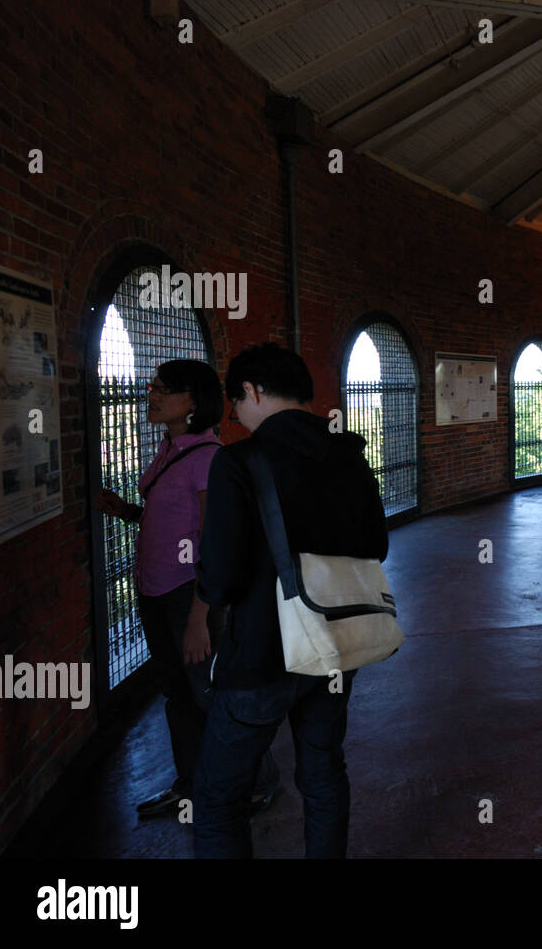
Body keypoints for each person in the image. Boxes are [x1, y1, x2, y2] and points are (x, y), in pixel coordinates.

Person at [193, 343, 388, 858]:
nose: (237, 415)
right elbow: (377, 546)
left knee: (218, 799)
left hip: (259, 654)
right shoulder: (351, 452)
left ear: (253, 391)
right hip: (335, 642)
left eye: (237, 403)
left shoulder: (238, 461)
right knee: (323, 771)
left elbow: (220, 577)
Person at [94, 360, 279, 819]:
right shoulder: (169, 448)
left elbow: (212, 541)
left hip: (187, 597)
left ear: (193, 402)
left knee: (209, 691)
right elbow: (172, 524)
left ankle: (259, 777)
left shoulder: (209, 458)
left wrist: (200, 617)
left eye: (165, 389)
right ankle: (191, 783)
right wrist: (127, 512)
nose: (152, 395)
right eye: (153, 386)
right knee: (178, 693)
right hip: (154, 590)